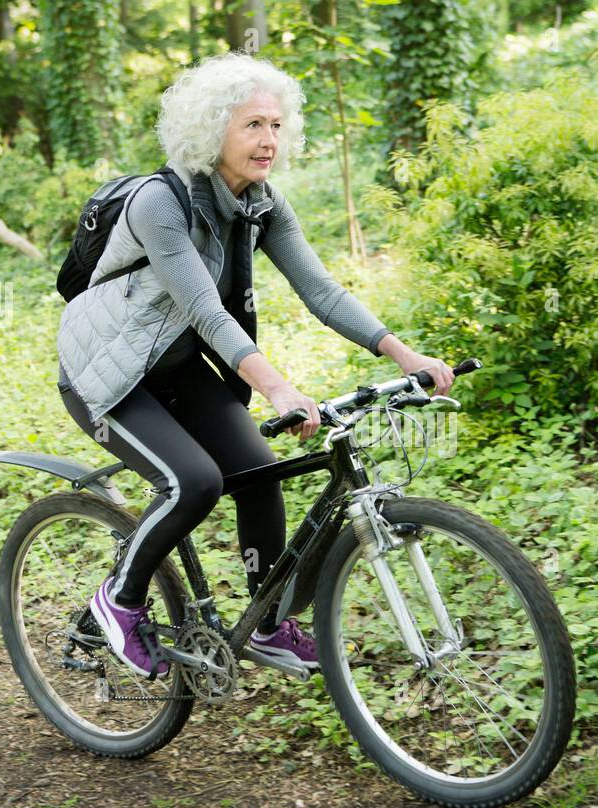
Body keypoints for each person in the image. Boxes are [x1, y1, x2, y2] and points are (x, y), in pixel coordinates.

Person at [56, 51, 454, 679]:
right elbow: (208, 312)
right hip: (107, 374)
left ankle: (266, 628)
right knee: (194, 482)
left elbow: (321, 292)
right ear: (211, 131)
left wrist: (406, 355)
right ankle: (119, 599)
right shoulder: (160, 203)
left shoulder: (262, 203)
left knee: (258, 471)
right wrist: (277, 389)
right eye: (252, 126)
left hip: (177, 365)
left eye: (275, 125)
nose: (268, 139)